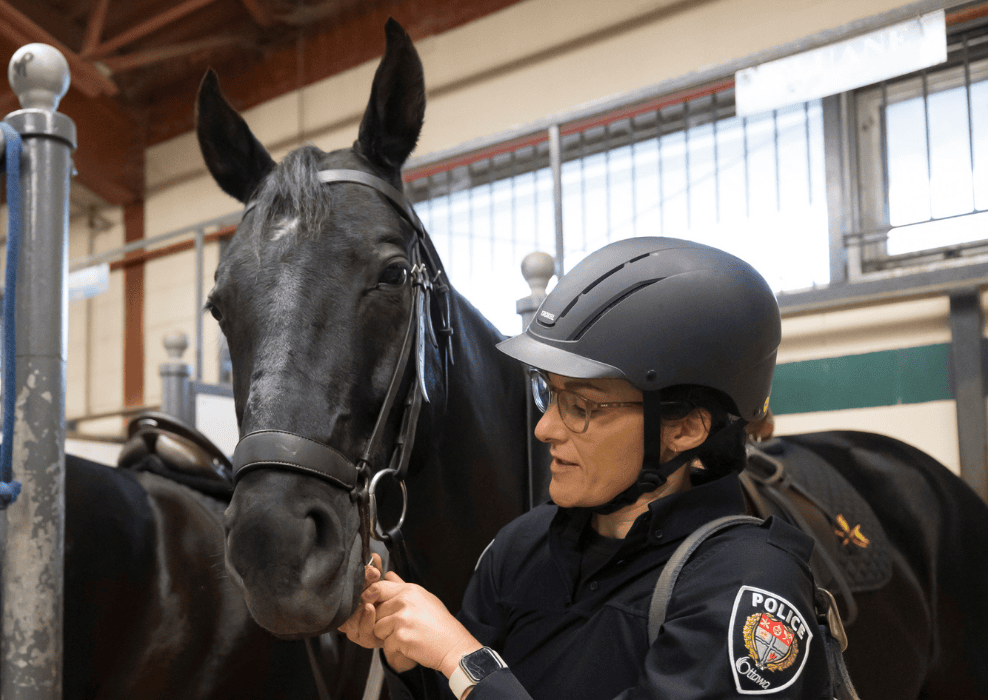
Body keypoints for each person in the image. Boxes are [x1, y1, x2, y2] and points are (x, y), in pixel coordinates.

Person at [340, 237, 834, 699]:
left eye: (581, 406)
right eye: (550, 395)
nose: (545, 428)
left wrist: (461, 659)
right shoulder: (520, 548)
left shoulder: (748, 589)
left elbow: (471, 670)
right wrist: (412, 660)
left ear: (685, 429)